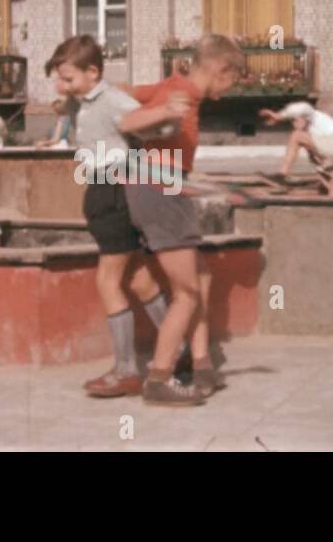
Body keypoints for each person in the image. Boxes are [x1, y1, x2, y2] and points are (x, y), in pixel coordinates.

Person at [117, 33, 244, 405]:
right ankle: (159, 379)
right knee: (186, 292)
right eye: (233, 78)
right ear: (221, 70)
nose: (232, 86)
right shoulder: (182, 95)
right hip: (158, 193)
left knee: (200, 276)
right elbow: (127, 119)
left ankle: (202, 367)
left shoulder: (176, 86)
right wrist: (159, 119)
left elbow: (123, 91)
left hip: (162, 188)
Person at [46, 35, 170, 400]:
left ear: (93, 72)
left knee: (108, 280)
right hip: (108, 189)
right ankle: (174, 351)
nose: (61, 85)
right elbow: (74, 108)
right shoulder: (86, 100)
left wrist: (162, 123)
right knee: (137, 276)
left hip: (111, 190)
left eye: (67, 78)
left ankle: (127, 370)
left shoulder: (112, 99)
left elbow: (154, 127)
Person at [260, 101, 333, 196]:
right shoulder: (316, 134)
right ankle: (331, 189)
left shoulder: (313, 115)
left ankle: (282, 175)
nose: (294, 124)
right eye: (292, 122)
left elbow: (302, 107)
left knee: (296, 136)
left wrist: (279, 116)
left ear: (304, 117)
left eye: (296, 120)